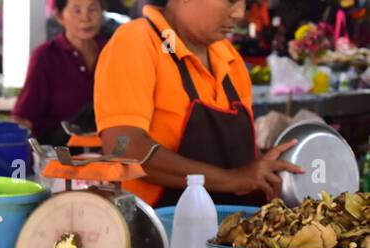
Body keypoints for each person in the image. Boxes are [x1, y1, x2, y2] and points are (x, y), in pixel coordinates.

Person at [94, 0, 303, 206]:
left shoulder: (229, 57)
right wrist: (232, 179)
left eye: (244, 3)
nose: (239, 13)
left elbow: (242, 158)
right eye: (230, 1)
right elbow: (124, 149)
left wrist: (266, 175)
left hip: (228, 230)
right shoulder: (137, 41)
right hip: (158, 228)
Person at [13, 0, 109, 144]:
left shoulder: (112, 51)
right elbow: (24, 117)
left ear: (102, 11)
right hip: (59, 153)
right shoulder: (45, 56)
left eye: (92, 9)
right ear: (59, 16)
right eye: (77, 10)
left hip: (106, 152)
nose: (86, 18)